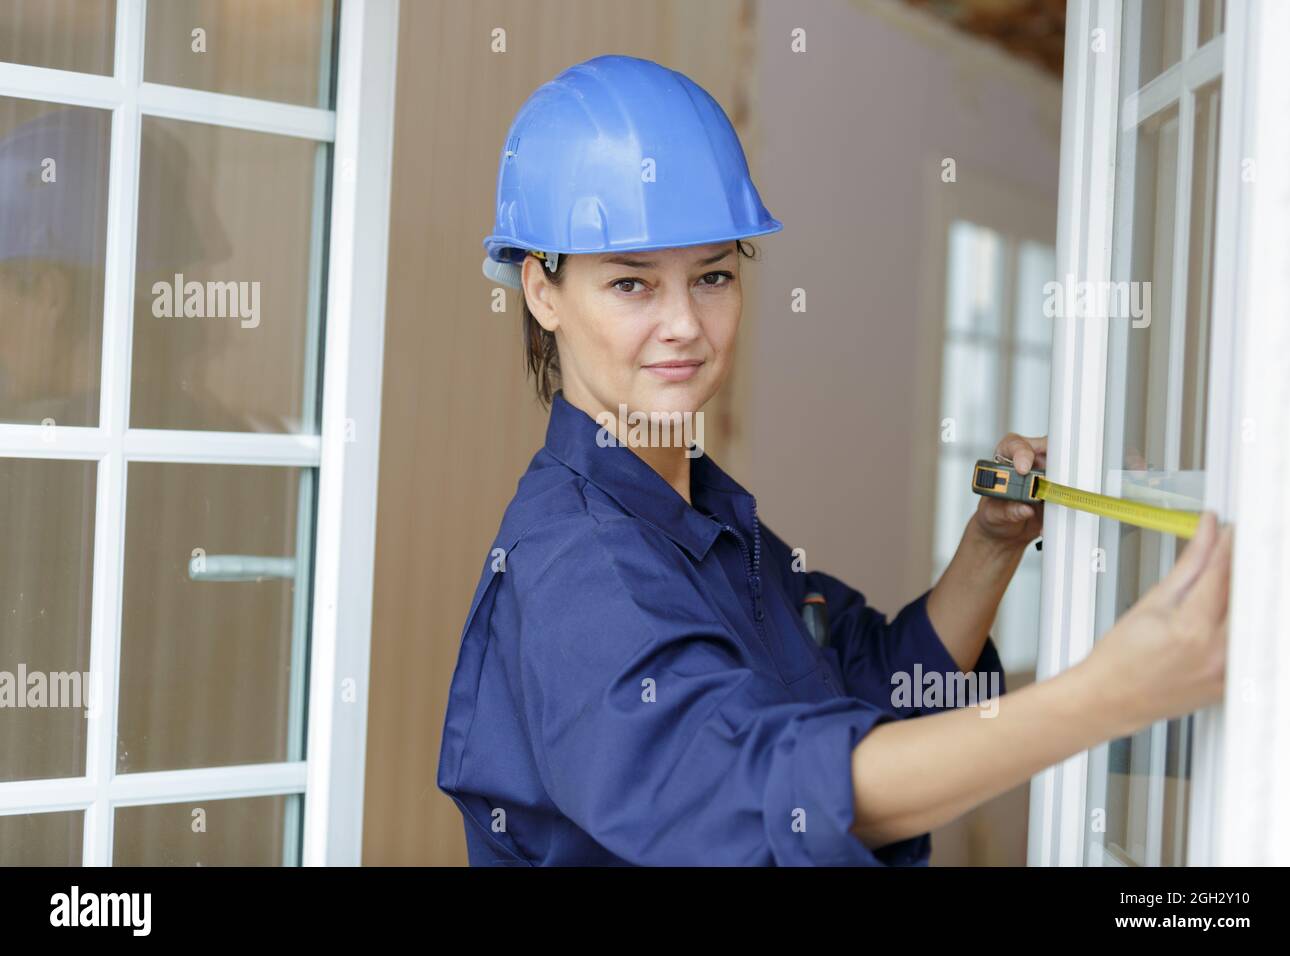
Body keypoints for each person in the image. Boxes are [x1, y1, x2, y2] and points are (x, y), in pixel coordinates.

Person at [436, 54, 1231, 866]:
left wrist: (994, 542)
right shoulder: (581, 567)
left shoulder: (703, 521)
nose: (684, 323)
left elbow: (885, 684)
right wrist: (1103, 698)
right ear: (541, 291)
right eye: (632, 285)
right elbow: (768, 791)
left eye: (712, 275)